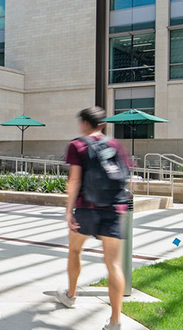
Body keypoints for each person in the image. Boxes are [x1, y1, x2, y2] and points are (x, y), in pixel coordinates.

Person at [57, 106, 129, 330]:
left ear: (83, 123)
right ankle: (115, 320)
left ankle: (70, 295)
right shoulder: (115, 144)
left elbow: (74, 181)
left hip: (86, 209)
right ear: (102, 124)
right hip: (113, 210)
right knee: (113, 264)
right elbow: (125, 177)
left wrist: (69, 211)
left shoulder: (77, 145)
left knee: (75, 250)